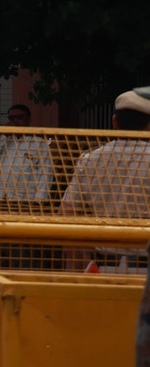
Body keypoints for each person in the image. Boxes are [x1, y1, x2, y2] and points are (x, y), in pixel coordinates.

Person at [60, 86, 150, 270]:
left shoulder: (90, 159)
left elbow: (67, 212)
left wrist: (77, 268)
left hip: (105, 268)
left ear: (114, 122)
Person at [0, 104, 53, 204]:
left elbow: (46, 173)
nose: (15, 121)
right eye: (11, 118)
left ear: (28, 119)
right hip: (1, 197)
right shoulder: (3, 141)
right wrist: (3, 136)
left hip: (25, 200)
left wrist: (39, 200)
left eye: (19, 117)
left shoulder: (39, 144)